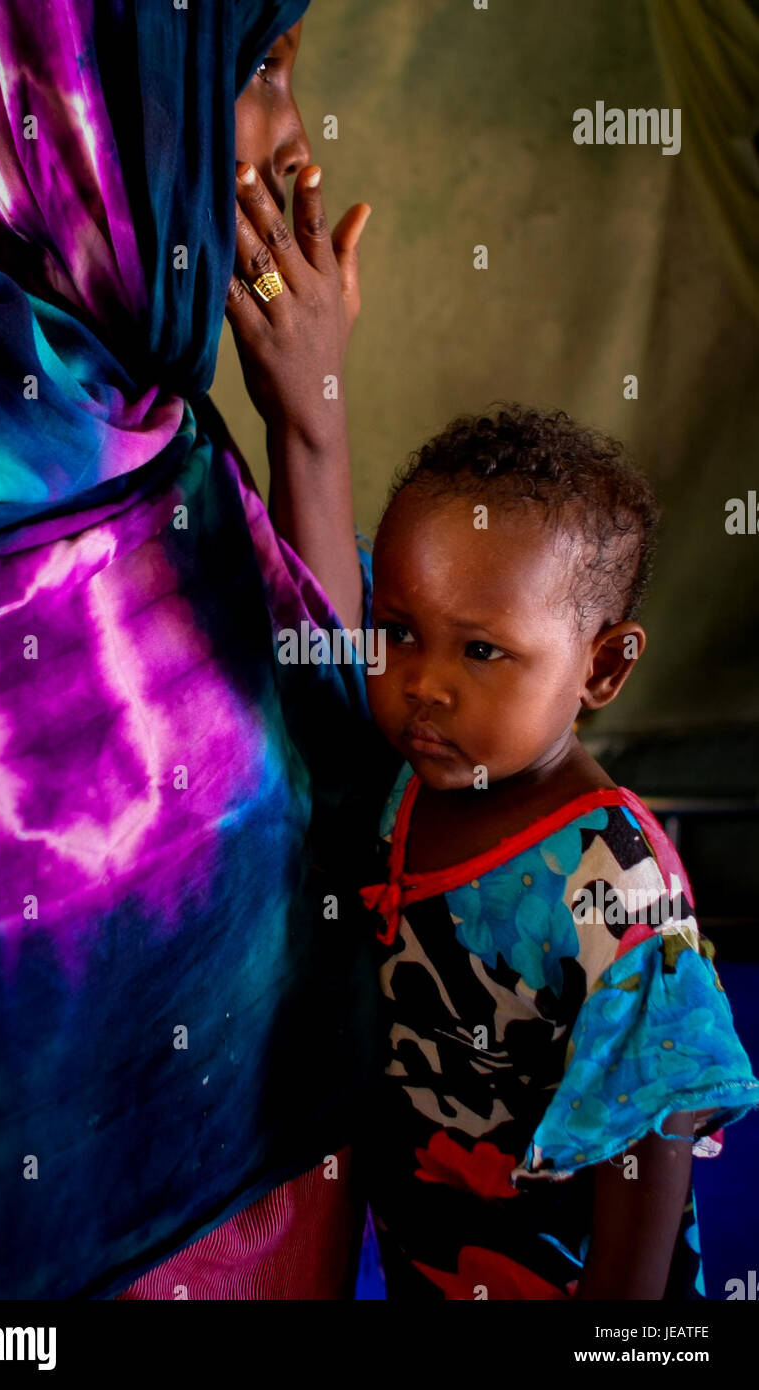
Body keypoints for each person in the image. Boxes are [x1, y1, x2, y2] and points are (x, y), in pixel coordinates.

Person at [0, 0, 389, 1299]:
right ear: (64, 108)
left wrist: (311, 423)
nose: (296, 143)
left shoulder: (143, 421)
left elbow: (339, 767)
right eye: (258, 72)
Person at [357, 405, 759, 1299]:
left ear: (602, 670)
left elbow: (650, 1140)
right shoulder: (409, 784)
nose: (425, 682)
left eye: (483, 650)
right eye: (398, 631)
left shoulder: (618, 884)